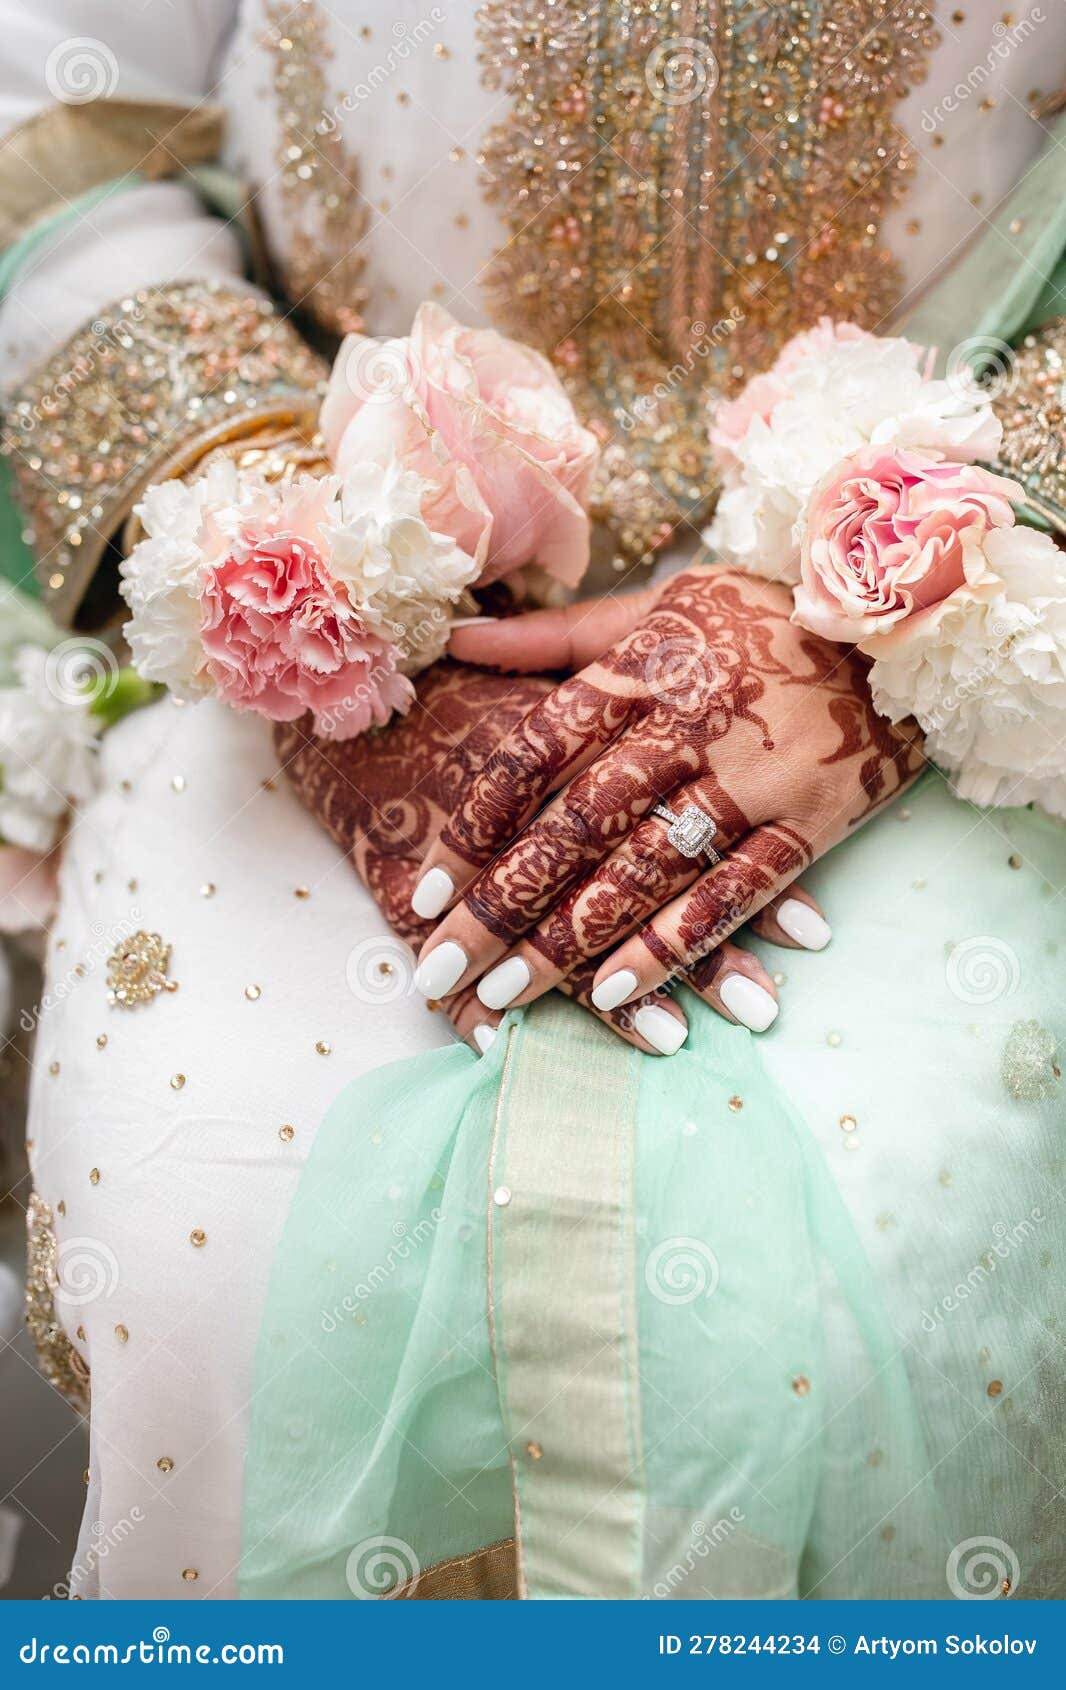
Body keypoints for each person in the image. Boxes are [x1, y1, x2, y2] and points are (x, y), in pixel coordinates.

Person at [1, 0, 1063, 1599]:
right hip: (314, 584)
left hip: (948, 633)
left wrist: (899, 599)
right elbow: (51, 101)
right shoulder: (309, 586)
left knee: (903, 1251)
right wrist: (312, 584)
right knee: (204, 1244)